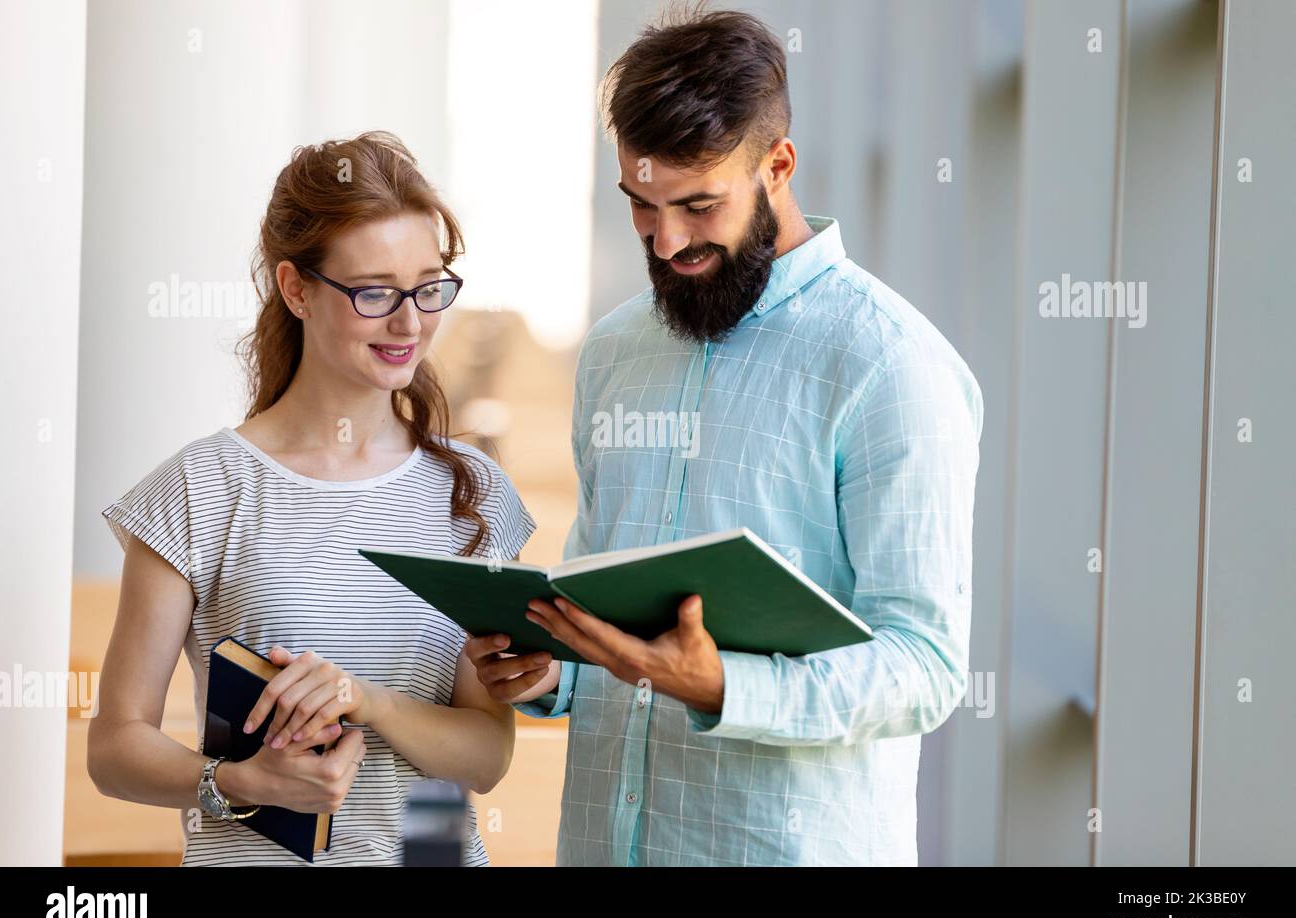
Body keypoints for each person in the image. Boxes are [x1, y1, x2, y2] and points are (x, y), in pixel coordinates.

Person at [467, 8, 983, 865]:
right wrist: (557, 672)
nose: (666, 241)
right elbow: (608, 602)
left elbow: (924, 665)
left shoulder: (891, 366)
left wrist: (725, 687)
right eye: (641, 205)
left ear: (776, 166)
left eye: (699, 204)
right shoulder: (613, 352)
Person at [88, 131, 535, 865]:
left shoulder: (473, 493)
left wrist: (368, 700)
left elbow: (485, 757)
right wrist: (236, 782)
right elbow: (115, 746)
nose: (410, 322)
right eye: (374, 293)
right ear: (296, 289)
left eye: (428, 287)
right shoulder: (199, 488)